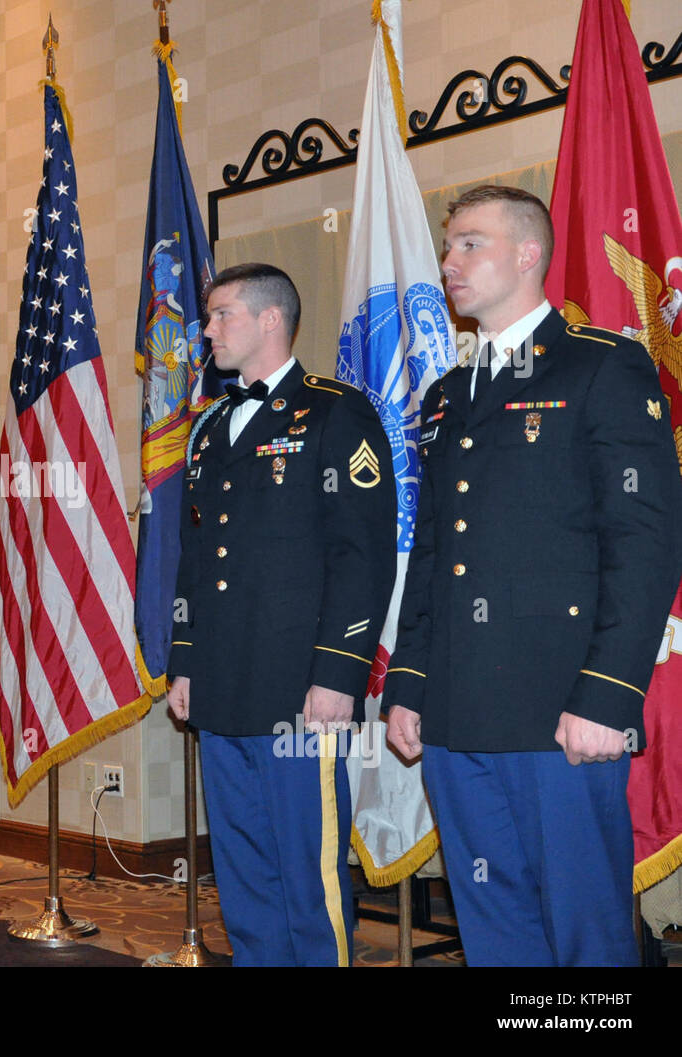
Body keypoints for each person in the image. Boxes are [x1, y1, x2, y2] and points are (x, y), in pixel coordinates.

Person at [384, 185, 682, 966]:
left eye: (469, 244)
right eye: (448, 246)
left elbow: (645, 542)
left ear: (527, 254)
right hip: (457, 713)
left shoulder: (602, 367)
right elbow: (434, 558)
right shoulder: (448, 397)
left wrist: (607, 696)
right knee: (494, 927)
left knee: (586, 931)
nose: (448, 262)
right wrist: (410, 682)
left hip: (562, 712)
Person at [166, 263, 396, 966]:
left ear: (271, 319)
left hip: (302, 689)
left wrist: (339, 675)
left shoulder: (335, 411)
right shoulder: (208, 428)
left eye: (221, 315)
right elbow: (195, 556)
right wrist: (184, 659)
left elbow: (364, 556)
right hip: (223, 684)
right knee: (241, 868)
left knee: (308, 867)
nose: (206, 330)